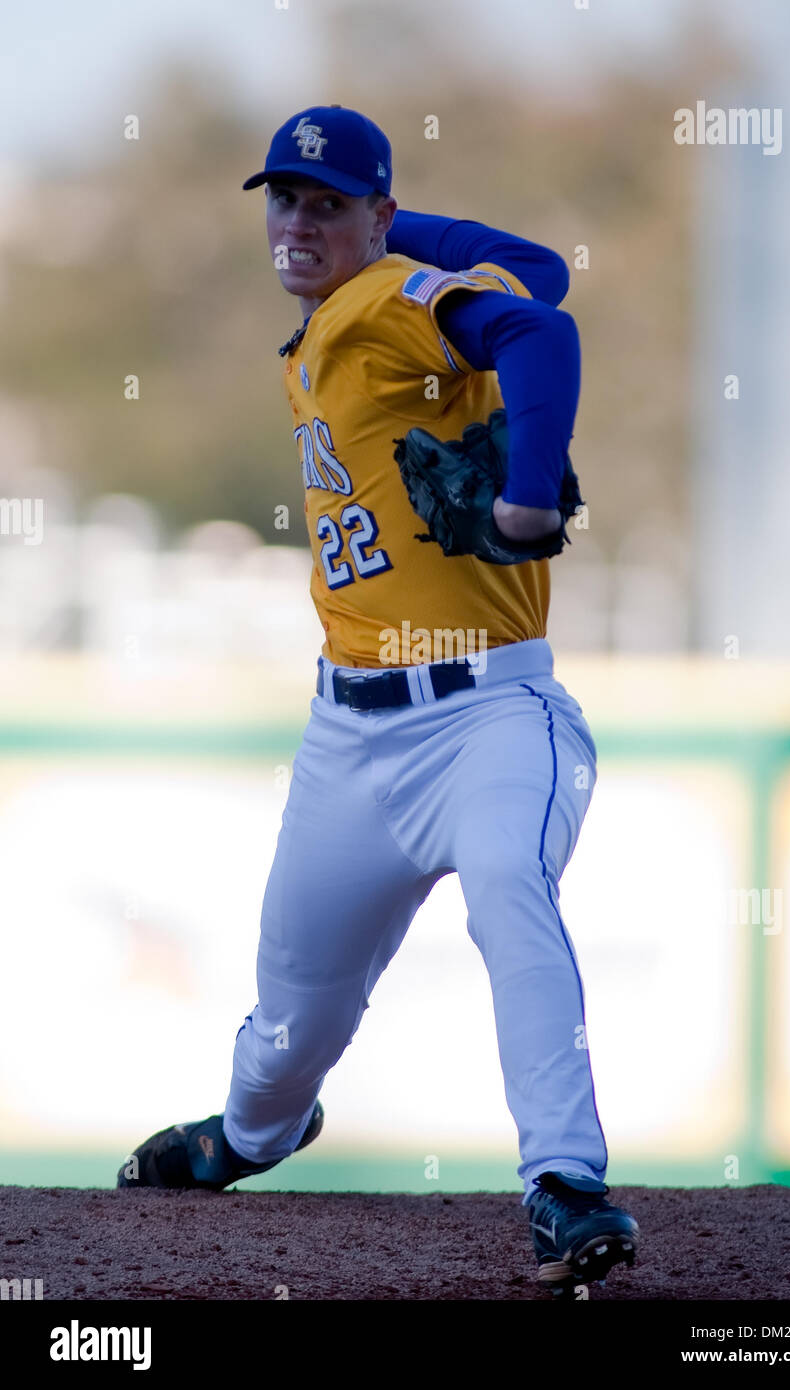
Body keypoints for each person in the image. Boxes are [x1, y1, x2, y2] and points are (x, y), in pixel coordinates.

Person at [117, 105, 638, 1298]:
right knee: (283, 1036)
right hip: (347, 736)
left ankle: (563, 1181)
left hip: (489, 718)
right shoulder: (339, 318)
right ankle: (255, 1134)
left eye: (328, 203)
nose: (297, 223)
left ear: (378, 218)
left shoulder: (382, 302)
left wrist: (521, 490)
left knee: (509, 885)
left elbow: (542, 330)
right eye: (284, 199)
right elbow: (543, 268)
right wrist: (387, 224)